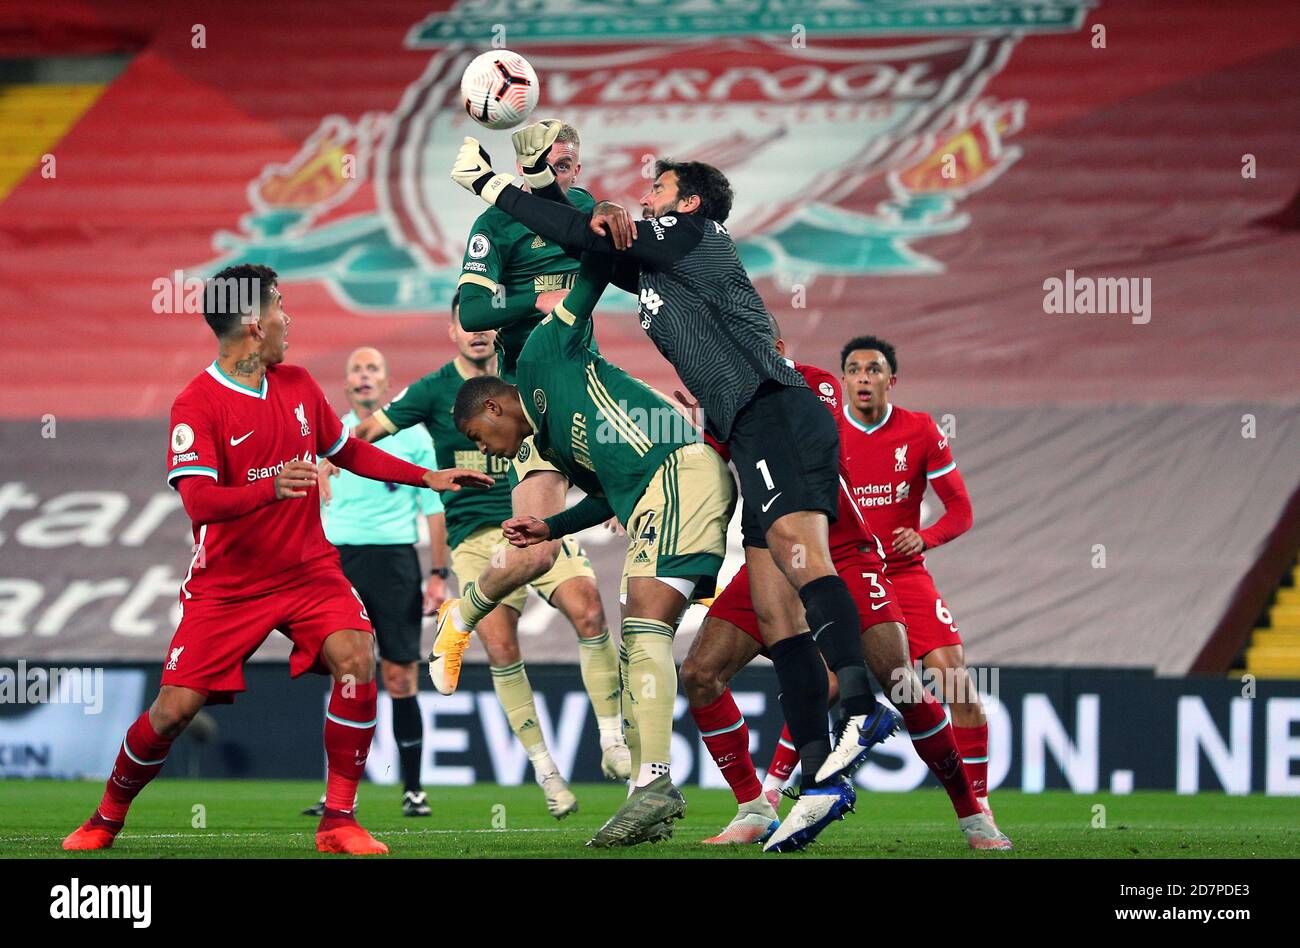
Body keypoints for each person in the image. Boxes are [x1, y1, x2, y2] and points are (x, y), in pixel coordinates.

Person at [450, 125, 884, 851]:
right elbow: (581, 241)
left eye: (655, 189)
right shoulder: (657, 271)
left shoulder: (690, 236)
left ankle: (862, 705)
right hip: (743, 431)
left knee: (805, 561)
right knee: (778, 617)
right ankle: (817, 776)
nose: (642, 196)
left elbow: (585, 231)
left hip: (771, 410)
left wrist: (490, 187)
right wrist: (542, 188)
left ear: (683, 203)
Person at [61, 265, 491, 855]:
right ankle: (106, 818)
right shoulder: (197, 404)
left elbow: (350, 451)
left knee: (356, 656)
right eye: (279, 306)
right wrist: (270, 487)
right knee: (172, 712)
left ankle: (339, 820)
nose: (287, 317)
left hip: (309, 569)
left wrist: (429, 477)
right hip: (230, 584)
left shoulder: (297, 384)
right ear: (251, 323)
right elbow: (199, 500)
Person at [678, 323, 1011, 851]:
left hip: (843, 550)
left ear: (778, 352)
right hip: (767, 555)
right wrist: (695, 437)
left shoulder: (815, 384)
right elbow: (714, 476)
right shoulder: (723, 404)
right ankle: (755, 807)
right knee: (699, 673)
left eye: (746, 349)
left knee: (902, 682)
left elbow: (812, 438)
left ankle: (973, 815)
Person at [454, 253, 735, 847]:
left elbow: (590, 281)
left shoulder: (537, 360)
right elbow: (605, 494)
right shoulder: (553, 446)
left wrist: (600, 231)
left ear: (494, 407)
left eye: (485, 439)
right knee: (643, 646)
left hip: (679, 470)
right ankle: (655, 792)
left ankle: (654, 785)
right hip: (651, 496)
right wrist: (551, 527)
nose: (498, 455)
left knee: (644, 631)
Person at [346, 294, 628, 819]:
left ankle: (612, 738)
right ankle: (547, 773)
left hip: (543, 517)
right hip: (476, 534)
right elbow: (364, 434)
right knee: (501, 648)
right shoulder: (430, 391)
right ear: (451, 331)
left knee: (589, 607)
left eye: (484, 325)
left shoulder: (522, 379)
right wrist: (325, 460)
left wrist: (609, 490)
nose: (477, 333)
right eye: (466, 325)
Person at [839, 335, 995, 818]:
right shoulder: (824, 431)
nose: (864, 377)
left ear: (891, 379)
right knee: (822, 684)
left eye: (874, 369)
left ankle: (979, 804)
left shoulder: (921, 430)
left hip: (905, 575)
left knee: (958, 686)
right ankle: (770, 795)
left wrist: (924, 538)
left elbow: (962, 510)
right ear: (843, 379)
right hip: (848, 574)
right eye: (854, 369)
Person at [300, 346, 443, 819]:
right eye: (356, 369)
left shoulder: (414, 438)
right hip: (337, 561)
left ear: (386, 383)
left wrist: (439, 574)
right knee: (345, 672)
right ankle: (336, 795)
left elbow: (433, 510)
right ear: (346, 384)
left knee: (400, 676)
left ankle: (414, 789)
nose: (364, 376)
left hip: (396, 561)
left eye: (373, 368)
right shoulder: (328, 437)